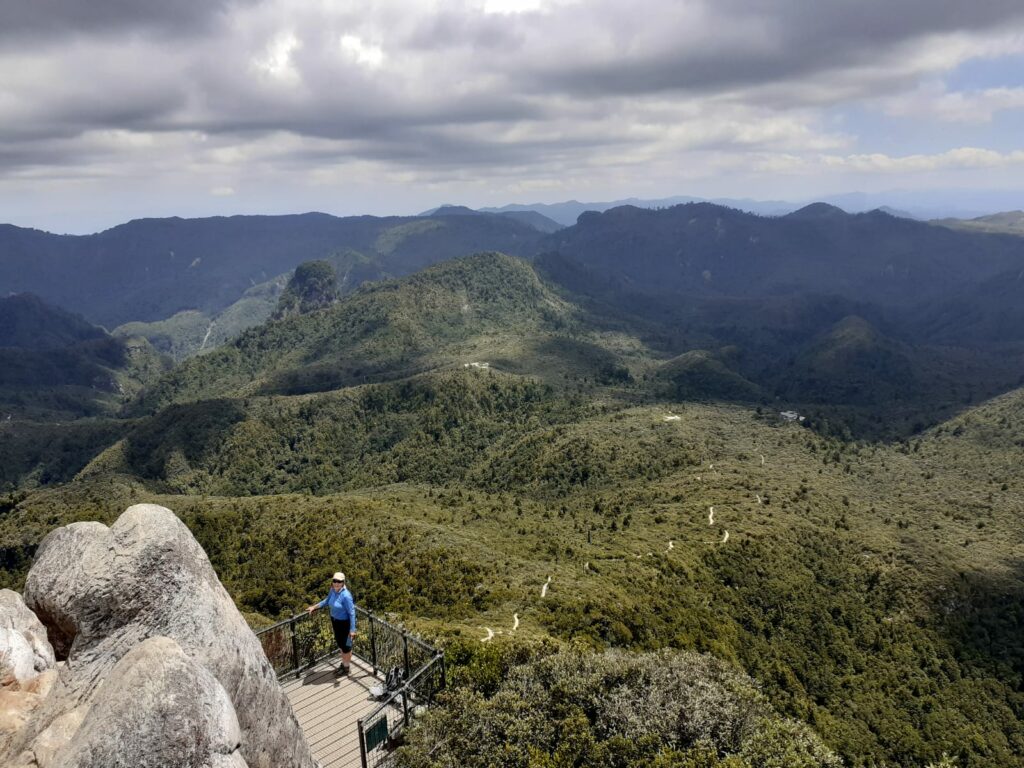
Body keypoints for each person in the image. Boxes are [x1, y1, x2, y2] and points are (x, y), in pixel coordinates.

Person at [307, 571, 357, 675]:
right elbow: (326, 601)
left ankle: (346, 667)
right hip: (335, 622)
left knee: (346, 647)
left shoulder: (346, 596)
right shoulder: (333, 591)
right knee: (341, 644)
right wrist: (314, 607)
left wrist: (352, 630)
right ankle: (343, 664)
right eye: (335, 581)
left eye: (339, 581)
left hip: (345, 624)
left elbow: (352, 612)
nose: (336, 583)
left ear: (343, 583)